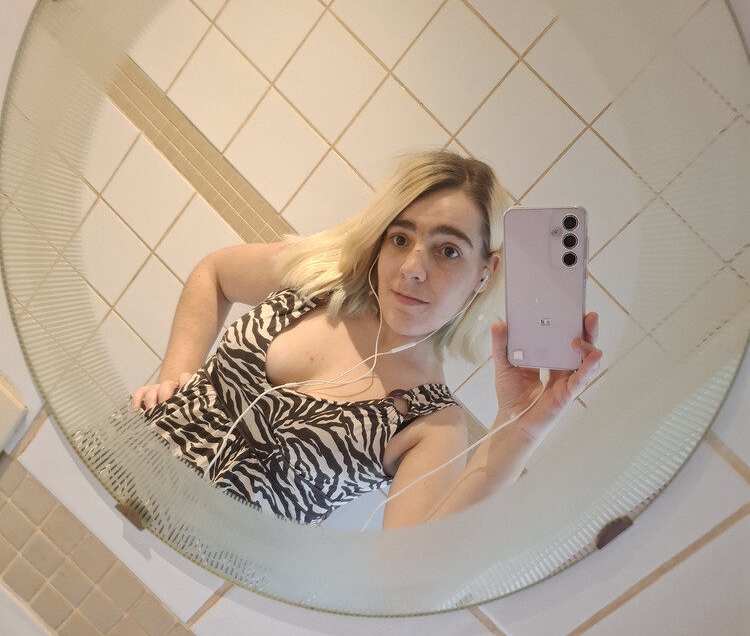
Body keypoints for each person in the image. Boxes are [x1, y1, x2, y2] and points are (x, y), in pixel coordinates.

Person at [132, 151, 601, 529]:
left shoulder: (432, 423)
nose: (413, 268)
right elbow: (214, 272)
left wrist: (520, 429)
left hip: (201, 570)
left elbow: (404, 572)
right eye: (401, 239)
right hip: (120, 458)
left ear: (485, 272)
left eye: (448, 250)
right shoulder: (317, 282)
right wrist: (174, 379)